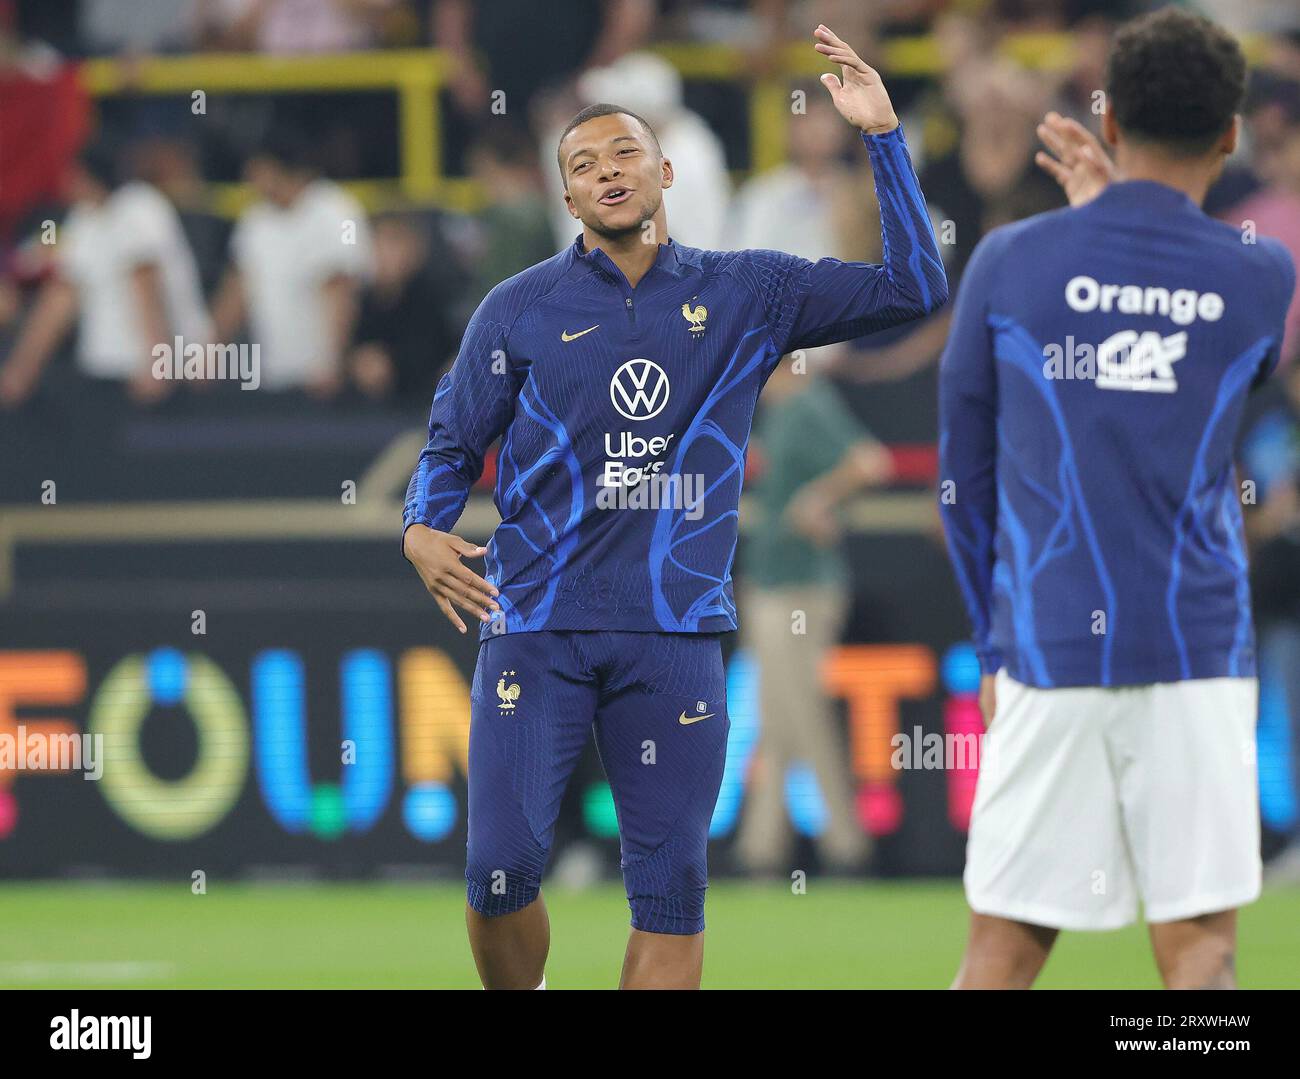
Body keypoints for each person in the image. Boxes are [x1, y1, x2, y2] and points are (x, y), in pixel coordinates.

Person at [401, 24, 946, 990]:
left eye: (624, 153)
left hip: (674, 629)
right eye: (583, 163)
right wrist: (419, 527)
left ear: (665, 171)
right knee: (498, 872)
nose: (606, 172)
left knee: (672, 888)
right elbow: (451, 442)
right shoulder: (515, 307)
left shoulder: (752, 289)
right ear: (564, 194)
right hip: (534, 621)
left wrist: (882, 137)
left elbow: (914, 285)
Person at [939, 8, 1295, 989]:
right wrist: (1125, 227)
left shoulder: (1009, 261)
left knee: (1000, 956)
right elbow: (1193, 341)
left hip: (1050, 648)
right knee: (1200, 955)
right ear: (1229, 133)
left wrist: (993, 644)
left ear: (1107, 112)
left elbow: (959, 479)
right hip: (1197, 652)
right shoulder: (1262, 273)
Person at [736, 349, 892, 877]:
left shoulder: (809, 403)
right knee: (778, 717)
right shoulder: (780, 413)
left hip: (802, 591)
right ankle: (763, 853)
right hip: (773, 585)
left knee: (800, 713)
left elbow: (871, 461)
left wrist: (819, 500)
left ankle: (845, 846)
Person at [0, 140, 210, 409]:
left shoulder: (140, 206)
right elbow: (60, 298)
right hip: (108, 375)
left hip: (161, 372)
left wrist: (157, 363)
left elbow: (147, 287)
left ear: (88, 175)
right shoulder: (84, 219)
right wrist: (21, 370)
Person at [211, 129, 373, 396]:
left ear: (278, 168)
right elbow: (237, 290)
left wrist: (330, 363)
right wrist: (211, 349)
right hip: (274, 375)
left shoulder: (335, 211)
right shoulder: (255, 220)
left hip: (323, 381)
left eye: (256, 170)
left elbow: (341, 291)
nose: (248, 179)